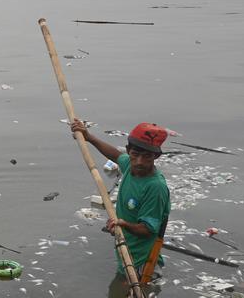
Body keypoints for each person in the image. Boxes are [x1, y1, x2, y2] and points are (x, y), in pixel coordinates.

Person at [69, 119, 170, 282]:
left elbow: (148, 230)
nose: (139, 162)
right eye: (135, 155)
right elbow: (115, 155)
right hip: (126, 252)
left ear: (156, 156)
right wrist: (89, 137)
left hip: (142, 265)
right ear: (129, 150)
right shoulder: (130, 166)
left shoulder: (155, 187)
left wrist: (123, 224)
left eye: (147, 157)